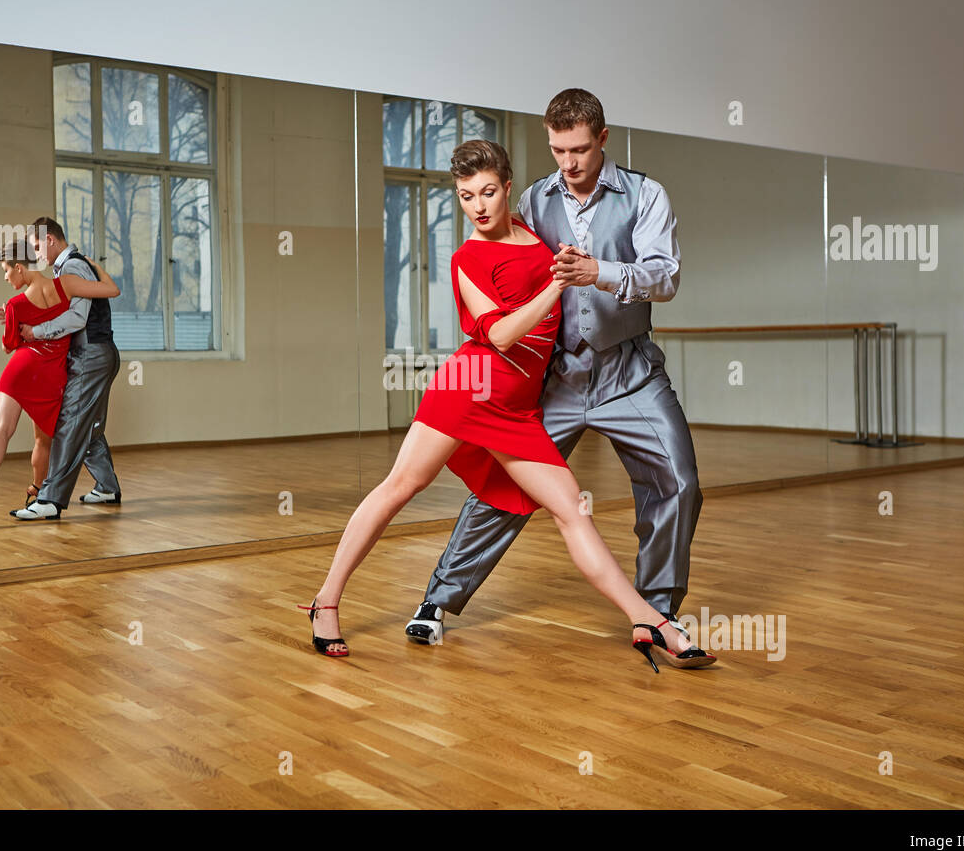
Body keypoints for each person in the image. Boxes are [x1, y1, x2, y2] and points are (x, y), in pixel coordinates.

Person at [299, 140, 711, 672]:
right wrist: (556, 287)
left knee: (571, 509)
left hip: (518, 410)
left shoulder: (536, 233)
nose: (479, 206)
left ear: (508, 186)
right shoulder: (467, 258)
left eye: (488, 192)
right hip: (467, 388)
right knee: (400, 486)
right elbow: (500, 335)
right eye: (467, 196)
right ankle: (326, 601)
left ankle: (648, 619)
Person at [403, 88, 712, 671]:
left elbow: (665, 278)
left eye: (577, 150)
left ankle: (656, 614)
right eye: (556, 150)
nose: (567, 163)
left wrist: (599, 272)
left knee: (679, 481)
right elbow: (493, 262)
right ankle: (437, 601)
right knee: (503, 489)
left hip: (629, 372)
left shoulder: (646, 195)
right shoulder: (534, 201)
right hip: (554, 380)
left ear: (602, 139)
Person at [0, 239, 121, 528]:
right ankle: (37, 492)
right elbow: (112, 290)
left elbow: (9, 345)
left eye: (6, 270)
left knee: (1, 430)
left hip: (22, 371)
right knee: (44, 440)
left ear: (20, 268)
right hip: (53, 377)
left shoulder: (15, 304)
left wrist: (14, 321)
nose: (6, 276)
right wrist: (96, 268)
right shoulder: (67, 285)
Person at [6, 217, 124, 521]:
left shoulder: (72, 268)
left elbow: (76, 319)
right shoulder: (67, 268)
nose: (36, 255)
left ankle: (50, 500)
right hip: (99, 354)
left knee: (68, 423)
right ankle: (107, 487)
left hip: (91, 355)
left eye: (36, 247)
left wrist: (37, 331)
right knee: (89, 426)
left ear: (49, 240)